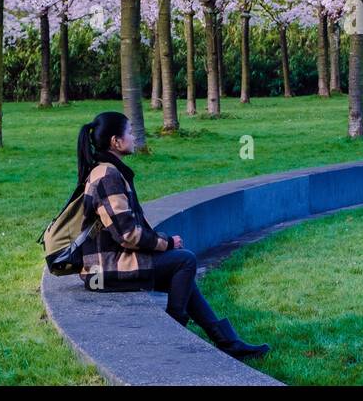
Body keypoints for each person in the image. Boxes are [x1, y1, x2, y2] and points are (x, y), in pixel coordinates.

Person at [71, 111, 270, 361]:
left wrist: (163, 244)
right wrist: (166, 243)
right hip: (104, 269)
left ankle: (229, 343)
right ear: (116, 142)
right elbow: (127, 235)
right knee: (184, 260)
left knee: (182, 274)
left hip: (107, 264)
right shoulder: (107, 176)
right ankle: (173, 335)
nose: (134, 137)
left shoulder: (107, 170)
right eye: (130, 133)